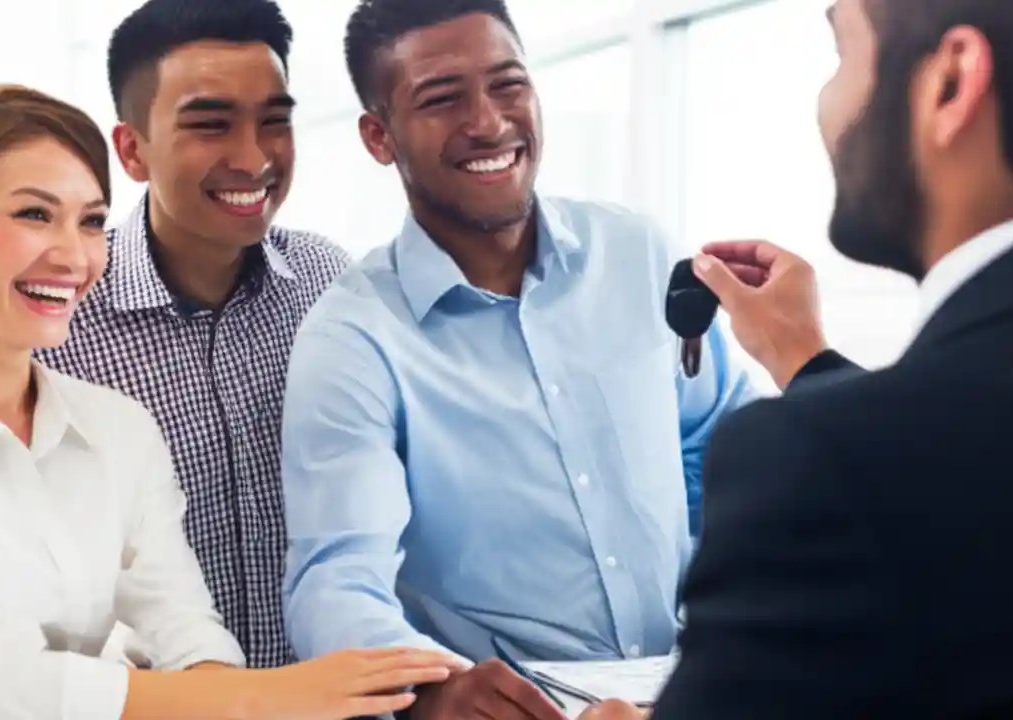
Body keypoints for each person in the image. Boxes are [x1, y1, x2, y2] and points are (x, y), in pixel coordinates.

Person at [0, 81, 460, 720]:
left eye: (90, 222)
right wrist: (271, 698)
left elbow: (183, 627)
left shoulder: (114, 429)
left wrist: (227, 693)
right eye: (33, 214)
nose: (74, 255)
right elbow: (11, 687)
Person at [582, 0, 1013, 717]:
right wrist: (803, 360)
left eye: (842, 55)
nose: (824, 106)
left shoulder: (815, 467)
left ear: (949, 83)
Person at [280, 0, 756, 717]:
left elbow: (720, 447)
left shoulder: (638, 253)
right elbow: (337, 578)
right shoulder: (352, 337)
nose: (489, 121)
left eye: (508, 84)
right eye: (443, 99)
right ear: (380, 137)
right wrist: (430, 692)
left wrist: (725, 606)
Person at [34, 0, 349, 669]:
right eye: (211, 125)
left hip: (331, 700)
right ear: (132, 150)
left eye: (275, 122)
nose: (253, 157)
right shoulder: (58, 324)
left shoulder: (327, 284)